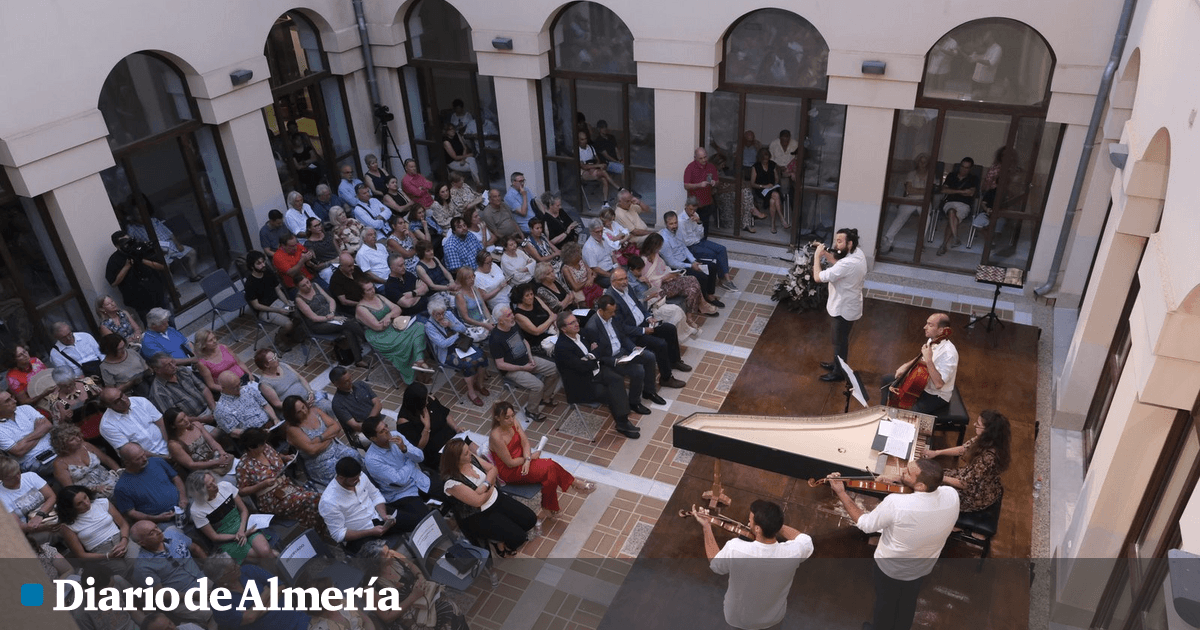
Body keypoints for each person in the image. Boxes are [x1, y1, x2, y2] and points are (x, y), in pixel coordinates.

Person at [828, 460, 959, 630]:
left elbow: (866, 524)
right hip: (923, 567)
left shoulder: (896, 503)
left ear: (920, 485)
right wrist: (900, 479)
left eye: (907, 472)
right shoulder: (951, 495)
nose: (902, 471)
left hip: (891, 569)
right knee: (908, 602)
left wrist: (841, 493)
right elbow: (922, 498)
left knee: (885, 604)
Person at [697, 499, 814, 630]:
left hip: (738, 619)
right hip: (773, 618)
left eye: (750, 520)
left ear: (758, 528)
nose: (748, 523)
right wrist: (774, 524)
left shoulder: (736, 548)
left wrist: (706, 527)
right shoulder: (793, 552)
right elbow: (803, 539)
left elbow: (716, 565)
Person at [489, 401, 595, 519]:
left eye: (512, 415)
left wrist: (528, 459)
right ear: (498, 418)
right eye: (507, 418)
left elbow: (525, 442)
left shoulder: (514, 422)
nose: (511, 419)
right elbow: (510, 463)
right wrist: (528, 459)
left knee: (550, 473)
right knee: (550, 466)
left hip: (525, 460)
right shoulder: (496, 437)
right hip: (511, 471)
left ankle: (550, 505)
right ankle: (574, 484)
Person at [439, 438, 537, 556]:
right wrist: (491, 485)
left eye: (467, 450)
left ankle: (503, 532)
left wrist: (486, 485)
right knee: (519, 537)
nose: (470, 452)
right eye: (466, 453)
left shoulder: (471, 459)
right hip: (480, 514)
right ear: (456, 459)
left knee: (530, 519)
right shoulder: (451, 483)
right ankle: (500, 545)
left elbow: (492, 469)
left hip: (497, 498)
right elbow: (478, 502)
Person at [553, 311, 642, 438]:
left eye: (576, 321)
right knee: (610, 392)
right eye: (571, 323)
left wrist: (591, 356)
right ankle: (622, 422)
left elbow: (604, 345)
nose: (576, 324)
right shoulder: (562, 347)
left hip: (595, 371)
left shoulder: (582, 333)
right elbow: (582, 368)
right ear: (563, 329)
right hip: (582, 382)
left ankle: (622, 421)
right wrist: (595, 355)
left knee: (617, 379)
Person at [607, 267, 692, 386]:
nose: (624, 282)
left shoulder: (627, 288)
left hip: (644, 323)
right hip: (634, 333)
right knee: (660, 344)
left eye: (625, 278)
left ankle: (675, 361)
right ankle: (666, 378)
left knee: (670, 328)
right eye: (620, 279)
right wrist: (643, 330)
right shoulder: (611, 299)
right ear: (613, 282)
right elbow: (621, 328)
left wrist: (648, 317)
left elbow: (638, 305)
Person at [235, 427, 328, 537]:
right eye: (262, 445)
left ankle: (318, 532)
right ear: (251, 448)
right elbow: (242, 491)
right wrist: (262, 485)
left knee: (308, 506)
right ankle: (322, 530)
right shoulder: (243, 466)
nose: (265, 446)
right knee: (314, 498)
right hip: (272, 499)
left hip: (288, 487)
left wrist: (286, 458)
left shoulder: (266, 449)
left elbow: (277, 456)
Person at [359, 541, 472, 630]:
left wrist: (420, 577)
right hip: (404, 615)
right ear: (376, 562)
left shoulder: (394, 556)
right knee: (435, 620)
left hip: (421, 597)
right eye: (387, 554)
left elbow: (412, 566)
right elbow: (387, 617)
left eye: (388, 550)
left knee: (451, 607)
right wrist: (413, 597)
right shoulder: (368, 588)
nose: (391, 553)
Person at [925, 409, 1010, 513]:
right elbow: (963, 449)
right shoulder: (985, 439)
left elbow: (965, 484)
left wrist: (940, 477)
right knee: (930, 476)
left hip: (974, 495)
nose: (974, 424)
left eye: (978, 424)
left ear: (987, 431)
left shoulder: (988, 457)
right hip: (970, 479)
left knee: (929, 488)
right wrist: (936, 453)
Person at [130, 522, 213, 627]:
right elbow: (161, 594)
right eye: (151, 533)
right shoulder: (143, 566)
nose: (158, 531)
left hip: (202, 578)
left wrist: (212, 568)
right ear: (142, 542)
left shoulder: (173, 534)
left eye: (156, 527)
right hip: (182, 598)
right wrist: (194, 595)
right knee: (213, 613)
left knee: (231, 588)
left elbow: (195, 549)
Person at [361, 416, 435, 532]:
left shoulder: (396, 435)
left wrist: (404, 448)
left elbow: (420, 457)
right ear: (373, 438)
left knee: (450, 490)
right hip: (402, 493)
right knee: (426, 521)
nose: (387, 430)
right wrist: (410, 461)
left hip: (419, 478)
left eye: (385, 426)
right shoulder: (372, 460)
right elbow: (399, 480)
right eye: (382, 431)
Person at [812, 228, 868, 382]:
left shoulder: (847, 264)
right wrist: (825, 253)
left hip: (843, 308)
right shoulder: (857, 253)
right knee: (840, 340)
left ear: (849, 243)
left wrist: (817, 257)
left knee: (839, 342)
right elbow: (838, 263)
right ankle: (837, 364)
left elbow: (818, 277)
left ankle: (838, 372)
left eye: (839, 241)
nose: (835, 245)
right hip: (849, 304)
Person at [204, 552, 311, 630]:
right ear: (221, 578)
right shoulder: (219, 600)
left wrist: (255, 610)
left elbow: (280, 586)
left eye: (235, 564)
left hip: (294, 617)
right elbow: (250, 618)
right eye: (233, 569)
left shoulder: (248, 570)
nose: (238, 567)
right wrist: (266, 593)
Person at [489, 305, 559, 422]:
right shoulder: (495, 339)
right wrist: (523, 367)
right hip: (512, 370)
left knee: (555, 369)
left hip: (526, 360)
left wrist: (530, 358)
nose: (513, 317)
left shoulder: (513, 325)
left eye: (511, 313)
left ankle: (545, 398)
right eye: (508, 315)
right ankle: (531, 411)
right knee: (537, 386)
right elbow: (500, 365)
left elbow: (524, 341)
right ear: (500, 321)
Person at [186, 470, 274, 563]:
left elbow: (243, 510)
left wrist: (242, 531)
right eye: (209, 486)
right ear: (200, 492)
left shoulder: (225, 486)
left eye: (213, 481)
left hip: (242, 526)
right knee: (262, 557)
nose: (215, 485)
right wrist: (238, 536)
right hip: (226, 538)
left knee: (264, 551)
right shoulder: (196, 510)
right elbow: (214, 536)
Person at [319, 456, 402, 553]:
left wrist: (384, 515)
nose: (358, 480)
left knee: (413, 520)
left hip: (377, 517)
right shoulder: (329, 501)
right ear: (341, 478)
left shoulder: (360, 476)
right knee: (382, 554)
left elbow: (375, 495)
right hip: (360, 535)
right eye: (354, 479)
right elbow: (338, 534)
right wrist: (370, 532)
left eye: (358, 476)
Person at [356, 279, 432, 384]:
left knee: (419, 326)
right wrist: (391, 316)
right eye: (368, 290)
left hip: (393, 327)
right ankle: (413, 373)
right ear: (362, 293)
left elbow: (397, 309)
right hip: (380, 336)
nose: (372, 290)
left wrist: (388, 316)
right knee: (407, 342)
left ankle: (419, 360)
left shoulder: (379, 297)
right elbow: (378, 327)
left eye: (372, 287)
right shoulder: (361, 308)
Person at [886, 312, 959, 415]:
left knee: (908, 414)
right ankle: (884, 413)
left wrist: (929, 359)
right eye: (927, 323)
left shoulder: (949, 354)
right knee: (886, 380)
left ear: (941, 330)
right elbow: (921, 358)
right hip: (922, 385)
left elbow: (939, 384)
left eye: (930, 325)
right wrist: (906, 366)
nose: (925, 327)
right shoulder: (933, 339)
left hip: (936, 395)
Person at [293, 275, 371, 368]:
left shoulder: (315, 285)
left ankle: (358, 360)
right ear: (298, 287)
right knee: (347, 323)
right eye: (303, 285)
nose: (308, 286)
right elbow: (314, 318)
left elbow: (330, 300)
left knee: (348, 330)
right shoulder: (299, 299)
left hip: (332, 316)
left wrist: (332, 313)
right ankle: (369, 340)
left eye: (307, 282)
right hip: (319, 324)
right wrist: (331, 318)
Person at [285, 394, 361, 488]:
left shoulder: (315, 411)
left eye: (303, 407)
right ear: (292, 415)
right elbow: (312, 450)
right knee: (339, 473)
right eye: (299, 412)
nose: (304, 412)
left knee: (354, 455)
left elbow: (336, 427)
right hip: (318, 461)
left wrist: (320, 438)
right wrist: (330, 437)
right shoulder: (293, 429)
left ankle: (364, 485)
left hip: (336, 448)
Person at [640, 233, 719, 321]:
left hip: (668, 282)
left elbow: (664, 268)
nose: (660, 249)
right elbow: (648, 280)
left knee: (692, 289)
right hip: (659, 289)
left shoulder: (656, 255)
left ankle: (690, 316)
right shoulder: (644, 260)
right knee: (692, 280)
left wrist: (671, 274)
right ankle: (702, 304)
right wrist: (664, 277)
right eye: (659, 246)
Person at [426, 300, 488, 406]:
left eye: (442, 313)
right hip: (447, 352)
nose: (441, 316)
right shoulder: (429, 326)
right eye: (438, 314)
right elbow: (442, 344)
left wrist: (451, 325)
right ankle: (471, 393)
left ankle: (480, 384)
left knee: (482, 355)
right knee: (468, 364)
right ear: (432, 314)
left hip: (461, 344)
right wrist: (456, 336)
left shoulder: (448, 314)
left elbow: (463, 328)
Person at [110, 442, 187, 526]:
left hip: (182, 507)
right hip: (160, 521)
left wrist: (183, 498)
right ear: (127, 463)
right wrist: (156, 518)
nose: (144, 459)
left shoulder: (156, 461)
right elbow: (131, 512)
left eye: (143, 454)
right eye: (138, 459)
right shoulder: (122, 487)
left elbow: (176, 478)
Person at [106, 230, 169, 325]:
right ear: (117, 246)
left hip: (157, 291)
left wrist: (141, 260)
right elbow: (113, 283)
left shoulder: (141, 249)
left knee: (168, 320)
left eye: (128, 240)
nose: (127, 244)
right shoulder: (114, 260)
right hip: (139, 299)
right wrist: (127, 266)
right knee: (151, 325)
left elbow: (162, 266)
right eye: (123, 242)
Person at [625, 256, 698, 337]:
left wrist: (648, 283)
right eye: (638, 270)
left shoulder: (639, 276)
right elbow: (635, 302)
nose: (640, 272)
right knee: (675, 311)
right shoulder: (629, 283)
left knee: (677, 310)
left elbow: (647, 290)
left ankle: (685, 331)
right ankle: (684, 332)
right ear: (631, 269)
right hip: (647, 309)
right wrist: (649, 297)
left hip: (654, 301)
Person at [659, 212, 722, 305]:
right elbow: (672, 263)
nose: (674, 226)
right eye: (671, 224)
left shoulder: (677, 232)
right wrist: (691, 266)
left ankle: (710, 295)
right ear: (666, 224)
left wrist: (694, 261)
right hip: (678, 267)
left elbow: (684, 248)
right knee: (702, 276)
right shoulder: (664, 240)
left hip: (687, 261)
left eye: (675, 223)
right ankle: (702, 302)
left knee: (712, 266)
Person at [57, 485, 131, 562]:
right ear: (70, 508)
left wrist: (124, 541)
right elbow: (81, 555)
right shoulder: (67, 526)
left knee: (137, 561)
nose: (86, 503)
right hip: (100, 553)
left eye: (85, 497)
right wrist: (108, 556)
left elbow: (124, 525)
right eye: (79, 503)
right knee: (122, 571)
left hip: (121, 539)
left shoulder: (102, 503)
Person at [255, 347, 334, 415]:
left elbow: (300, 378)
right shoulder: (265, 384)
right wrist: (300, 404)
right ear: (266, 365)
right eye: (274, 358)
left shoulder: (283, 365)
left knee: (329, 407)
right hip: (296, 410)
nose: (277, 358)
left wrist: (310, 392)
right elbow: (277, 404)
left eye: (275, 355)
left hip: (310, 399)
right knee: (318, 417)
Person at [679, 199, 736, 290]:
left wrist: (698, 223)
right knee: (714, 255)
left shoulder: (695, 215)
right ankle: (722, 279)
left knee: (722, 249)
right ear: (686, 206)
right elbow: (686, 242)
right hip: (691, 246)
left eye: (694, 210)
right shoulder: (681, 221)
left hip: (700, 241)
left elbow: (701, 235)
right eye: (690, 209)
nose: (692, 212)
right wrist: (696, 238)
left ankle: (727, 279)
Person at [51, 423, 121, 498]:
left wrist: (120, 471)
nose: (78, 439)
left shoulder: (86, 446)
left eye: (78, 435)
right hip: (89, 493)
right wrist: (93, 489)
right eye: (72, 439)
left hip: (109, 479)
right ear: (62, 444)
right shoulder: (59, 464)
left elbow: (106, 459)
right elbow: (71, 490)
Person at [243, 250, 297, 345]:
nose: (263, 265)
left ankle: (295, 334)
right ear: (252, 266)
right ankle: (280, 337)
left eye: (263, 262)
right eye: (259, 263)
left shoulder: (268, 272)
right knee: (289, 324)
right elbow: (256, 306)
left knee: (298, 313)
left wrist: (287, 303)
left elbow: (278, 290)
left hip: (278, 303)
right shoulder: (250, 283)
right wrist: (277, 310)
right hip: (266, 310)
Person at [881, 154, 932, 254]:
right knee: (901, 216)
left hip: (924, 201)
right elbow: (909, 190)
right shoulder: (911, 174)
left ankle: (920, 243)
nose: (922, 164)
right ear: (917, 163)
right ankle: (888, 239)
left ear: (927, 164)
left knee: (926, 218)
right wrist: (923, 190)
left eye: (924, 162)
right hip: (910, 199)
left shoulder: (931, 175)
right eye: (920, 162)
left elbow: (930, 191)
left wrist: (917, 190)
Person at [147, 353, 215, 427]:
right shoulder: (158, 392)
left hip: (209, 407)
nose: (173, 366)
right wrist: (202, 419)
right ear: (158, 370)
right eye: (168, 365)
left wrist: (213, 408)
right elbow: (175, 418)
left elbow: (203, 388)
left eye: (172, 362)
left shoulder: (182, 370)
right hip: (191, 422)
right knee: (218, 433)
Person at [165, 407, 234, 478]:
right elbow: (191, 465)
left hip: (214, 458)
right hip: (202, 471)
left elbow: (212, 442)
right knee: (229, 478)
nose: (186, 420)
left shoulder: (196, 425)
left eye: (185, 416)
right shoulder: (174, 444)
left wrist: (222, 453)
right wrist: (216, 462)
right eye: (181, 420)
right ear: (173, 426)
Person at [99, 388, 168, 457]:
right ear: (108, 406)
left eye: (122, 395)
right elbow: (132, 452)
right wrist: (164, 458)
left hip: (167, 445)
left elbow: (162, 425)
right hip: (146, 458)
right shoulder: (107, 425)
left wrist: (171, 448)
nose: (124, 400)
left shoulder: (140, 401)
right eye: (117, 401)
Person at [0, 454, 58, 536]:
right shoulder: (1, 497)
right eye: (12, 477)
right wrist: (42, 527)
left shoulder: (30, 476)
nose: (17, 477)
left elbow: (52, 497)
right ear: (2, 478)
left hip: (50, 513)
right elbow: (18, 525)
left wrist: (40, 515)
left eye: (18, 472)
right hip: (32, 528)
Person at [213, 372, 277, 439]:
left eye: (239, 383)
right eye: (235, 387)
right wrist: (257, 433)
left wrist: (275, 418)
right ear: (224, 388)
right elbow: (233, 431)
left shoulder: (247, 389)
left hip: (270, 423)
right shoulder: (221, 409)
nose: (239, 387)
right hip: (254, 437)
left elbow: (265, 405)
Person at [935, 157, 979, 256]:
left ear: (970, 169)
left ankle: (945, 245)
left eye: (966, 168)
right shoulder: (951, 176)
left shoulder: (973, 178)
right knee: (951, 212)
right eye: (962, 167)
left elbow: (971, 193)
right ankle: (954, 238)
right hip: (949, 202)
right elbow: (943, 190)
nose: (963, 169)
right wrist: (962, 191)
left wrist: (953, 190)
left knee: (952, 219)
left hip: (964, 205)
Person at [329, 366, 379, 448]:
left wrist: (372, 421)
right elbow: (355, 426)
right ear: (336, 384)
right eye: (346, 382)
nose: (350, 382)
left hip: (377, 419)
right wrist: (373, 425)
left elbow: (377, 403)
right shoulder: (337, 403)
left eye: (350, 378)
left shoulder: (361, 384)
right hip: (361, 431)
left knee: (396, 426)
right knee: (380, 439)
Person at [194, 328, 250, 393]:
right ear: (203, 345)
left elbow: (239, 362)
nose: (215, 341)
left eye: (214, 338)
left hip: (243, 378)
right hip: (229, 388)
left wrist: (249, 373)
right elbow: (211, 385)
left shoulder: (224, 347)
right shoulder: (202, 363)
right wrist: (230, 390)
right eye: (210, 340)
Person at [683, 147, 721, 234]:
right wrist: (699, 185)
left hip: (707, 201)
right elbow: (686, 185)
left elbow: (718, 182)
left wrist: (715, 183)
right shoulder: (690, 168)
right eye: (701, 158)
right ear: (695, 158)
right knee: (693, 227)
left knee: (705, 226)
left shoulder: (711, 166)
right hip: (694, 203)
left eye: (705, 157)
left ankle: (704, 242)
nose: (704, 160)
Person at [512, 282, 556, 353]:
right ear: (520, 298)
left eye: (531, 294)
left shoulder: (536, 299)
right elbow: (536, 331)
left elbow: (551, 313)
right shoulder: (518, 315)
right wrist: (551, 320)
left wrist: (554, 322)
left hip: (551, 330)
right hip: (539, 341)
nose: (530, 297)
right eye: (527, 295)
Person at [383, 252, 431, 316]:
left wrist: (414, 293)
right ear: (392, 268)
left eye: (404, 264)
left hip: (428, 305)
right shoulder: (390, 286)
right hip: (415, 314)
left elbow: (426, 288)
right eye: (400, 265)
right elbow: (407, 303)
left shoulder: (407, 274)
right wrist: (420, 292)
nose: (404, 267)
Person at [577, 130, 616, 203]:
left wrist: (594, 167)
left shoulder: (590, 147)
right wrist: (596, 166)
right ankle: (617, 187)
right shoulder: (577, 151)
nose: (584, 141)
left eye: (585, 139)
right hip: (584, 173)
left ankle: (605, 201)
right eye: (582, 139)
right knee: (604, 172)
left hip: (593, 169)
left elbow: (597, 159)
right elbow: (583, 166)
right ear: (578, 140)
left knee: (604, 179)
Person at [561, 241, 603, 307]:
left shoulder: (580, 260)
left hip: (589, 285)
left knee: (602, 296)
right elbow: (576, 287)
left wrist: (590, 278)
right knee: (586, 302)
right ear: (571, 257)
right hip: (579, 291)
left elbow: (590, 271)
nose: (580, 255)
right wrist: (588, 281)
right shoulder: (566, 269)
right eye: (577, 254)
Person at [304, 216, 341, 283]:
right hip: (326, 267)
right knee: (328, 273)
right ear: (309, 229)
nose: (319, 227)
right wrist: (331, 262)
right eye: (315, 226)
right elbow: (315, 266)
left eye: (319, 224)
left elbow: (339, 251)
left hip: (338, 260)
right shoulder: (309, 244)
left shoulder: (329, 235)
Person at [328, 252, 366, 317]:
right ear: (341, 266)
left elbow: (366, 283)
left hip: (366, 299)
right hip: (352, 307)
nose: (352, 268)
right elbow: (344, 301)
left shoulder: (356, 269)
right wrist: (362, 304)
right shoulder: (336, 279)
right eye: (349, 266)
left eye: (353, 264)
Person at [582, 219, 618, 287]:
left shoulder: (603, 238)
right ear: (591, 232)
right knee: (618, 283)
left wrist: (617, 267)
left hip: (611, 268)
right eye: (597, 232)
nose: (600, 234)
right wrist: (610, 275)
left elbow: (612, 255)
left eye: (601, 231)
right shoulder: (588, 247)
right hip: (601, 275)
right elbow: (595, 269)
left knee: (625, 275)